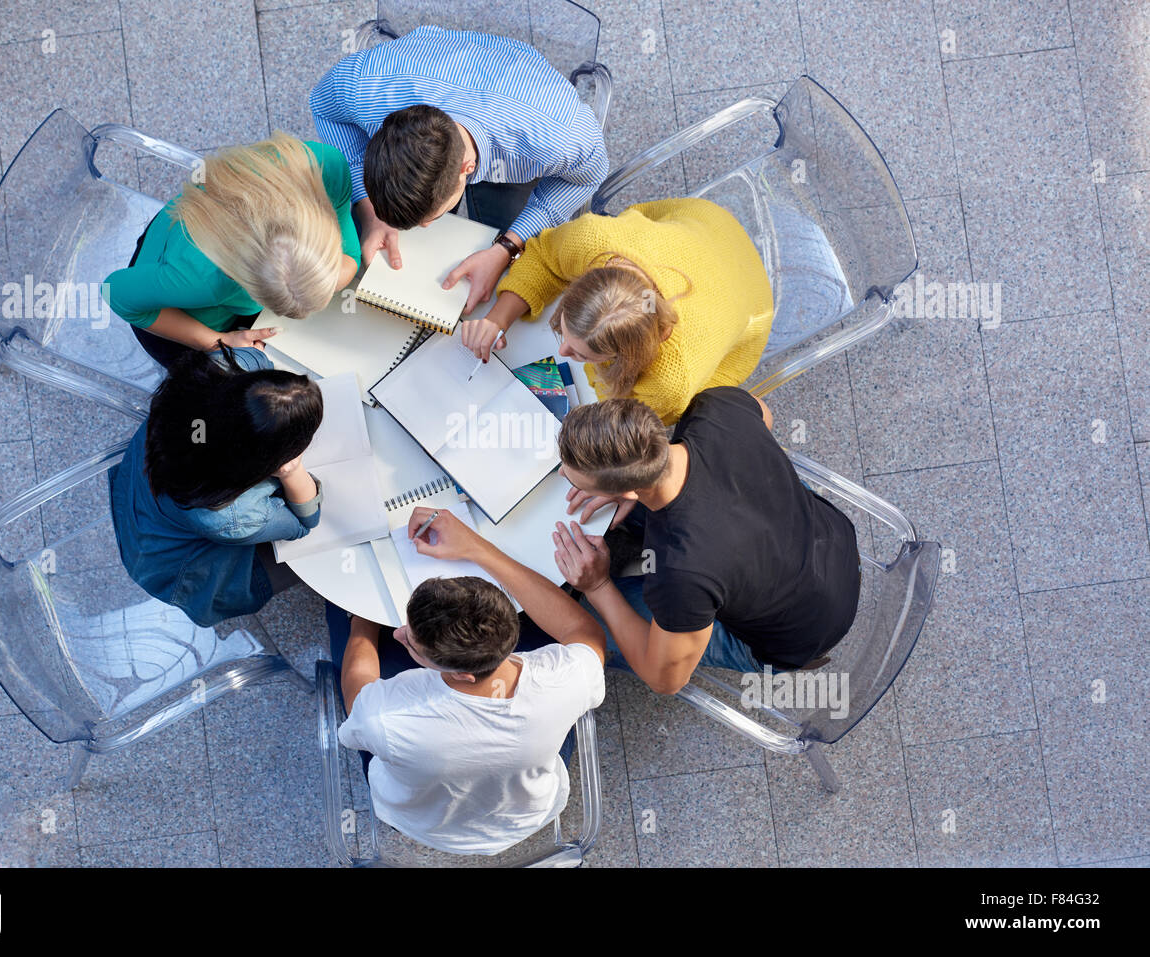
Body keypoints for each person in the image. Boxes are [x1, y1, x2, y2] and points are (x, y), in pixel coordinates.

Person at [550, 390, 862, 695]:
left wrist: (598, 587)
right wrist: (638, 480)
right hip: (835, 545)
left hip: (802, 635)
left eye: (573, 477)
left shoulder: (680, 574)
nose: (563, 472)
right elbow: (763, 415)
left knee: (584, 621)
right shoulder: (716, 406)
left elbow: (664, 681)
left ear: (629, 492)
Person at [334, 508, 606, 856]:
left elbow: (357, 692)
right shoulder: (565, 680)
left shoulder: (384, 717)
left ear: (462, 673)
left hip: (421, 819)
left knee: (345, 623)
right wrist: (477, 548)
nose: (400, 632)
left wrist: (362, 617)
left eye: (411, 640)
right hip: (529, 808)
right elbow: (585, 634)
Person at [309, 25, 609, 313]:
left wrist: (507, 247)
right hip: (437, 72)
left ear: (468, 168)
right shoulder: (364, 87)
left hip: (520, 111)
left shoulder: (558, 137)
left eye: (430, 219)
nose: (423, 229)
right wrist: (369, 209)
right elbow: (323, 104)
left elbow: (589, 175)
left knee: (517, 264)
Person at [461, 198, 774, 426]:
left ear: (628, 356)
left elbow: (628, 422)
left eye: (581, 354)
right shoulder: (592, 240)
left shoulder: (669, 380)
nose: (562, 351)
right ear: (586, 278)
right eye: (565, 330)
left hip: (751, 305)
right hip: (709, 223)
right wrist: (496, 319)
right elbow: (544, 257)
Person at [108, 343, 323, 627]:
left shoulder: (223, 367)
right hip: (176, 565)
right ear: (267, 460)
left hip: (141, 495)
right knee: (320, 552)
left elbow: (255, 355)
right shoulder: (232, 517)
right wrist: (291, 470)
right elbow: (305, 523)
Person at [103, 132, 361, 369]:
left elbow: (338, 208)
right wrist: (216, 342)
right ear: (244, 282)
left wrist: (346, 263)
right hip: (175, 313)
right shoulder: (201, 278)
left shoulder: (324, 166)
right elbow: (114, 291)